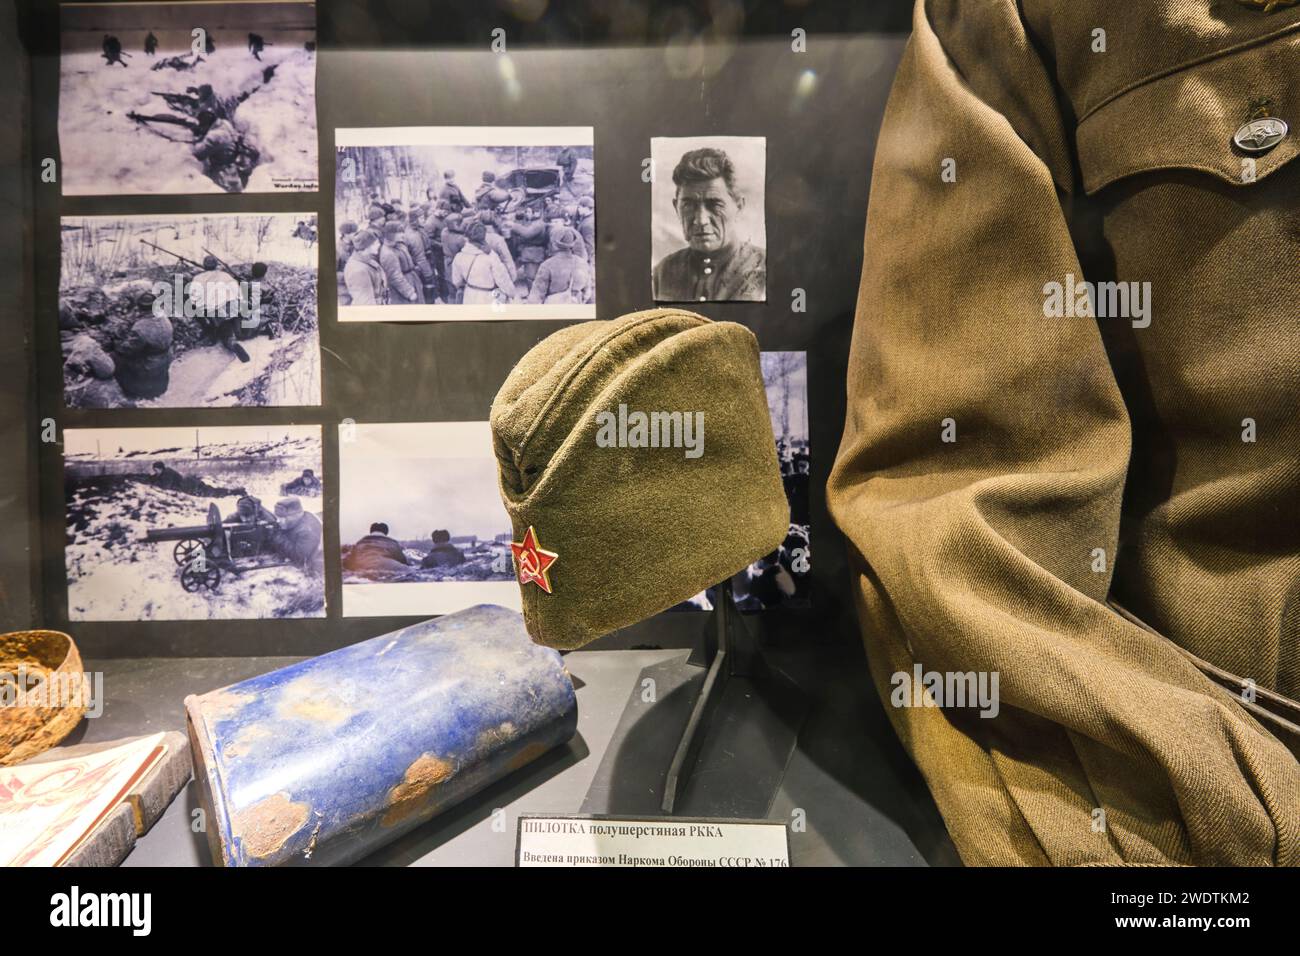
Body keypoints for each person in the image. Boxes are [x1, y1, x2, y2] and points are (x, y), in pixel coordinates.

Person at [651, 147, 765, 302]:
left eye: (715, 204)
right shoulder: (662, 273)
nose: (701, 220)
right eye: (688, 205)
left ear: (739, 206)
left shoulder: (766, 268)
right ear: (676, 208)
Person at [188, 255, 250, 362]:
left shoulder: (197, 278)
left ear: (204, 266)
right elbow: (239, 293)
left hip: (214, 311)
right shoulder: (226, 276)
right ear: (216, 265)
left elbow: (193, 298)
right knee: (233, 320)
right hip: (231, 308)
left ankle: (221, 338)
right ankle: (237, 330)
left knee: (223, 329)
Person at [114, 312, 174, 399]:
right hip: (164, 359)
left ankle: (132, 392)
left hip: (149, 366)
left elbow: (127, 349)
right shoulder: (164, 318)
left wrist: (117, 343)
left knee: (116, 358)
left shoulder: (141, 327)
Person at [452, 223, 514, 305]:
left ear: (467, 238)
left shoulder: (459, 256)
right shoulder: (491, 257)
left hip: (469, 296)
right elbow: (502, 280)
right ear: (484, 237)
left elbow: (456, 281)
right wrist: (511, 292)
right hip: (489, 298)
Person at [527, 227, 590, 304]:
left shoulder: (547, 265)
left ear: (554, 244)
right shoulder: (582, 263)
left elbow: (535, 298)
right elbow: (587, 293)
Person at [272, 497, 322, 573]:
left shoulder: (307, 531)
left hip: (313, 564)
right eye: (277, 517)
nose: (278, 521)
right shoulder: (295, 520)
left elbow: (299, 558)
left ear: (295, 516)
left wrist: (278, 538)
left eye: (282, 517)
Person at [344, 522, 411, 574]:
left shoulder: (359, 544)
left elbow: (347, 561)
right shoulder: (393, 544)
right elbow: (404, 561)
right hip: (390, 567)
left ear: (371, 531)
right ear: (386, 533)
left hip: (363, 567)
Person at [380, 222, 421, 304]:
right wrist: (409, 293)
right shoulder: (387, 253)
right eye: (399, 233)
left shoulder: (400, 244)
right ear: (391, 235)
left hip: (411, 280)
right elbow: (395, 277)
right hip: (403, 288)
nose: (403, 235)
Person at [342, 229, 386, 305]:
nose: (379, 245)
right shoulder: (358, 271)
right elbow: (366, 302)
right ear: (367, 246)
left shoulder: (366, 259)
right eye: (376, 243)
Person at [576, 195, 596, 269]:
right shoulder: (587, 218)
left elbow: (589, 246)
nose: (578, 209)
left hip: (586, 258)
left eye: (580, 207)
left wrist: (584, 261)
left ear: (587, 208)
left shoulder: (587, 224)